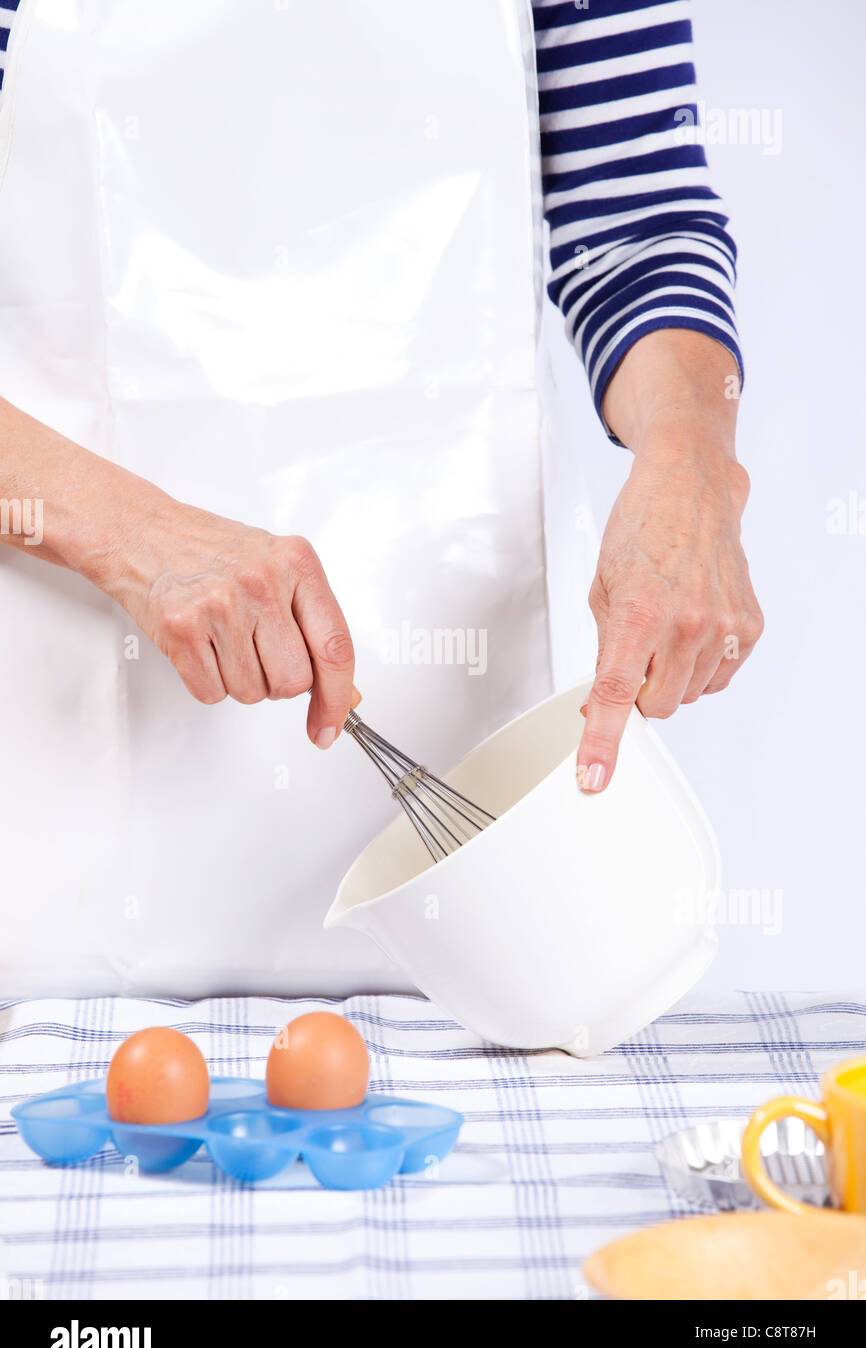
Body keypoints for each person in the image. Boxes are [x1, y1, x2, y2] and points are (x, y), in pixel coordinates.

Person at [0, 0, 762, 998]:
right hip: (74, 729)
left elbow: (634, 224)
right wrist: (131, 533)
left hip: (480, 744)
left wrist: (690, 467)